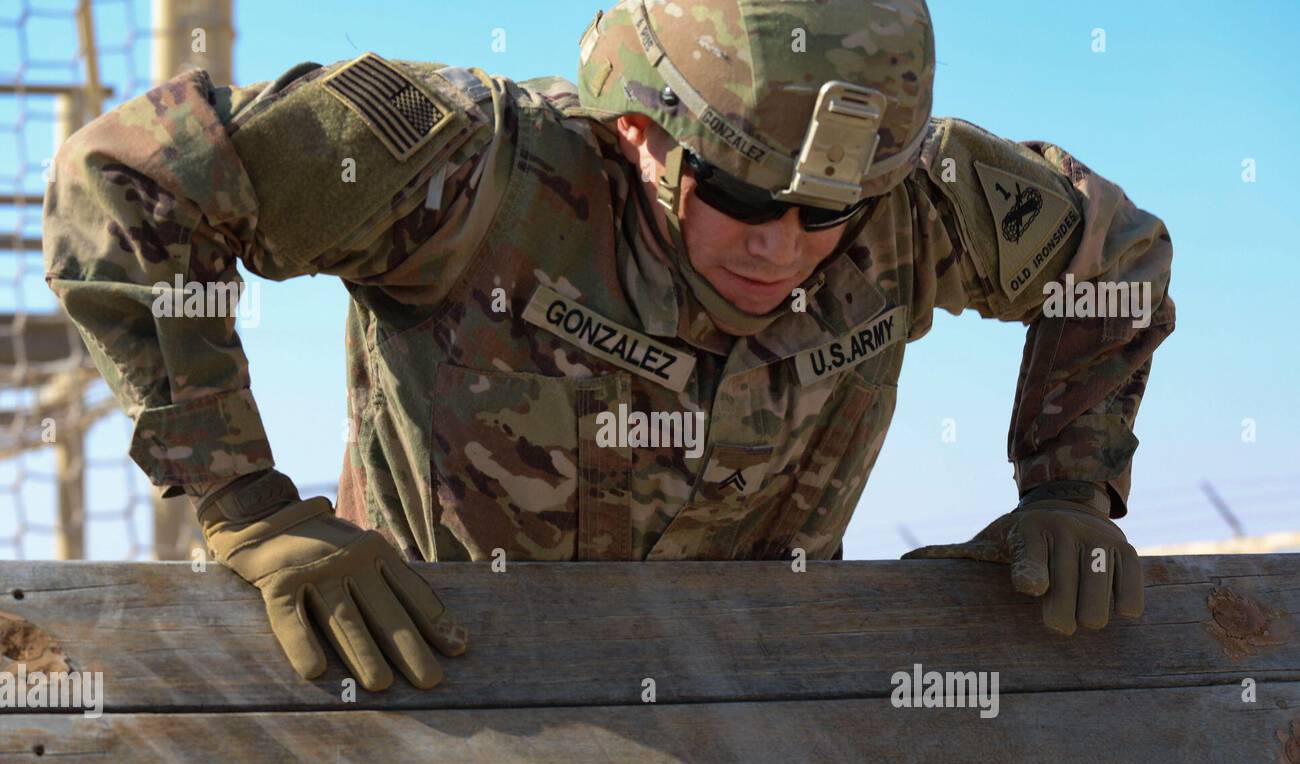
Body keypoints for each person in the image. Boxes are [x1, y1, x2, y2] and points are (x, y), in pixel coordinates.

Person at [42, 0, 1174, 692]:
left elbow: (1112, 257)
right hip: (431, 678)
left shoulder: (913, 201)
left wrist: (1068, 487)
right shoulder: (470, 169)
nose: (784, 247)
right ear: (640, 129)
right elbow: (130, 173)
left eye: (828, 214)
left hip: (756, 722)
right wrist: (245, 504)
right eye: (739, 194)